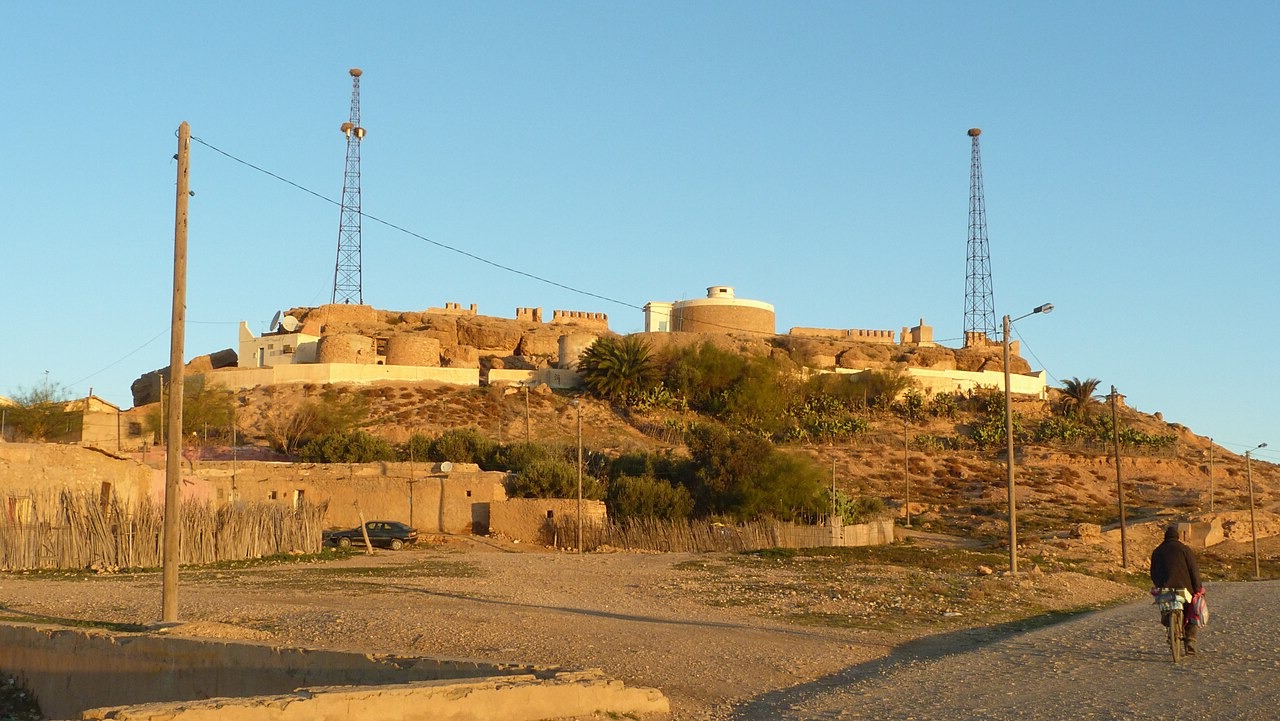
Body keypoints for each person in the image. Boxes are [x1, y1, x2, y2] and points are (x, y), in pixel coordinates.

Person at [1150, 524, 1204, 654]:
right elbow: (1193, 570)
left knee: (1165, 608)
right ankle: (1190, 639)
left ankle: (1168, 622)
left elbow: (1153, 572)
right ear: (1177, 537)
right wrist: (1198, 588)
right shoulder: (1184, 549)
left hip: (1165, 588)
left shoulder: (1157, 551)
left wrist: (1159, 584)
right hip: (1185, 588)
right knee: (1191, 611)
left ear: (1165, 537)